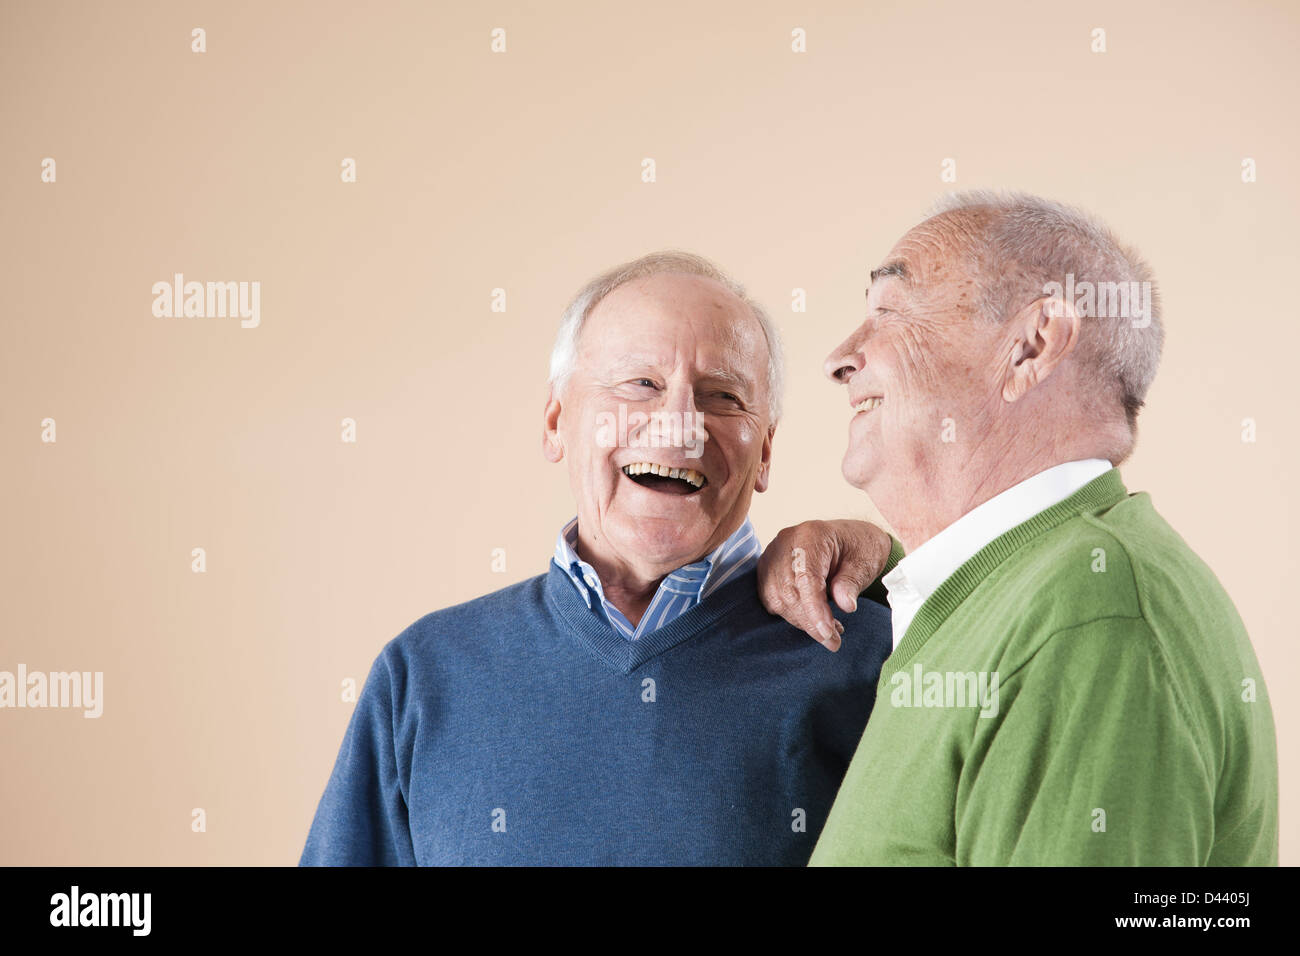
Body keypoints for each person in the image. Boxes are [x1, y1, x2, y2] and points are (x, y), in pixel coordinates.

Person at [299, 251, 892, 865]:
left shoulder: (871, 659)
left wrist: (887, 560)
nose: (680, 427)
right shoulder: (424, 674)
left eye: (722, 396)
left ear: (765, 452)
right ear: (556, 422)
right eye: (641, 385)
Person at [758, 191, 1278, 865]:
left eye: (887, 312)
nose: (839, 358)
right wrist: (883, 565)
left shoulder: (1089, 615)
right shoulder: (1031, 594)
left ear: (1031, 346)